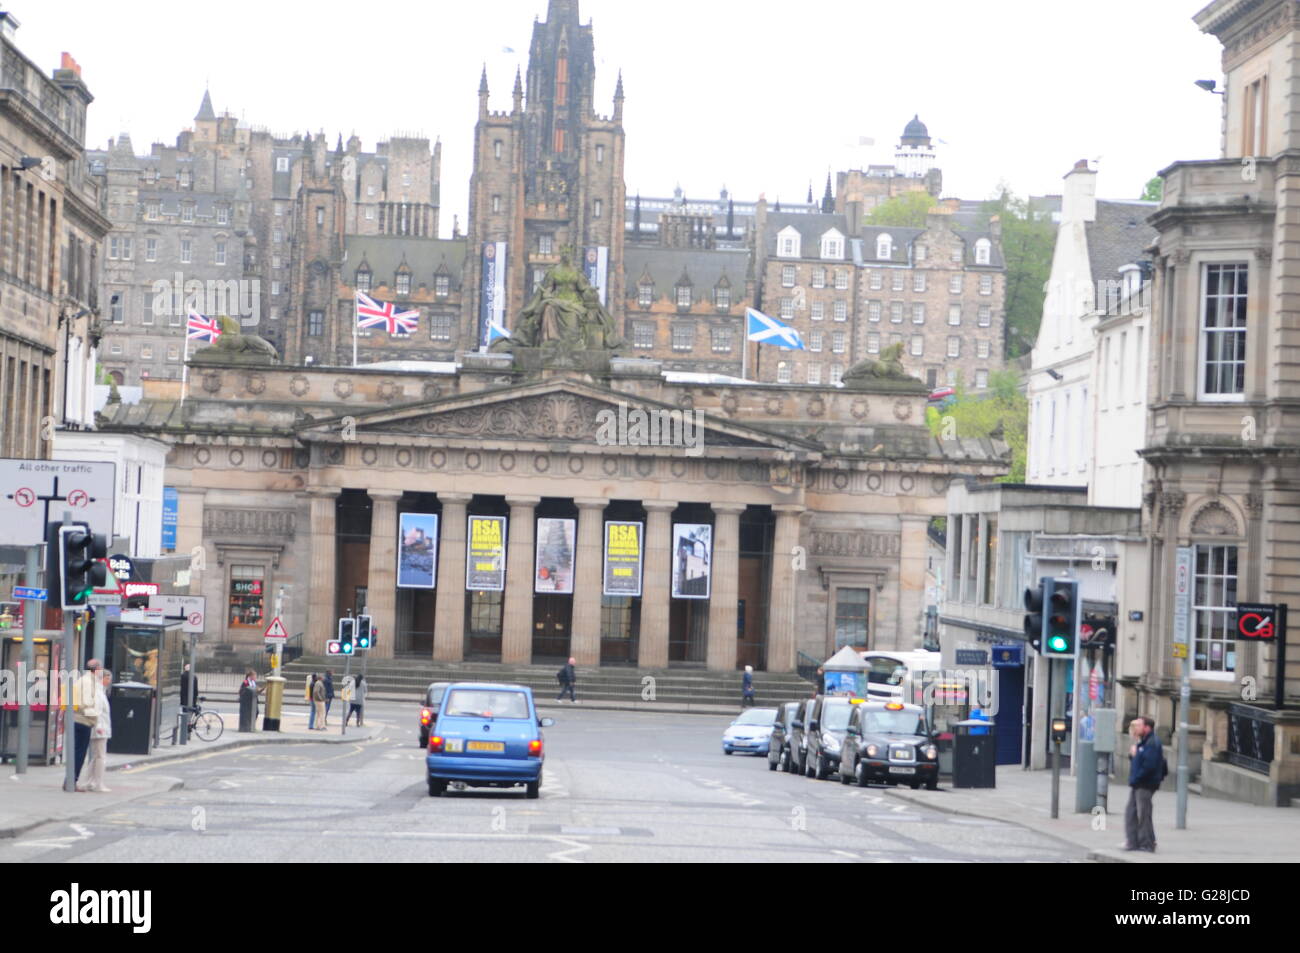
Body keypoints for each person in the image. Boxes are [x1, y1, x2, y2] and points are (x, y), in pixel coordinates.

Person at [1124, 715, 1164, 853]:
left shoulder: (1152, 742)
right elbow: (1137, 760)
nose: (1136, 727)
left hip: (1145, 784)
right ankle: (1134, 841)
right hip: (1138, 783)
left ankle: (1146, 843)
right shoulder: (1143, 742)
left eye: (1139, 725)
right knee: (1132, 812)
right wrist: (1132, 754)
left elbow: (1149, 765)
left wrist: (1138, 778)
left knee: (1143, 814)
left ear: (1147, 727)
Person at [80, 669, 113, 793]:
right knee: (100, 757)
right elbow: (97, 711)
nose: (109, 681)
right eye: (107, 678)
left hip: (100, 727)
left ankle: (89, 782)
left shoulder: (100, 691)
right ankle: (98, 783)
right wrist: (98, 727)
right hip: (100, 728)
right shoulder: (98, 692)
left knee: (96, 757)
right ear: (101, 678)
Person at [72, 659, 104, 784]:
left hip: (82, 720)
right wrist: (96, 714)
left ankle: (71, 780)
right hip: (83, 720)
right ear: (96, 669)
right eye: (100, 668)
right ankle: (71, 780)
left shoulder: (87, 680)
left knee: (78, 752)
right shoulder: (88, 682)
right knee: (79, 753)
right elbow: (85, 703)